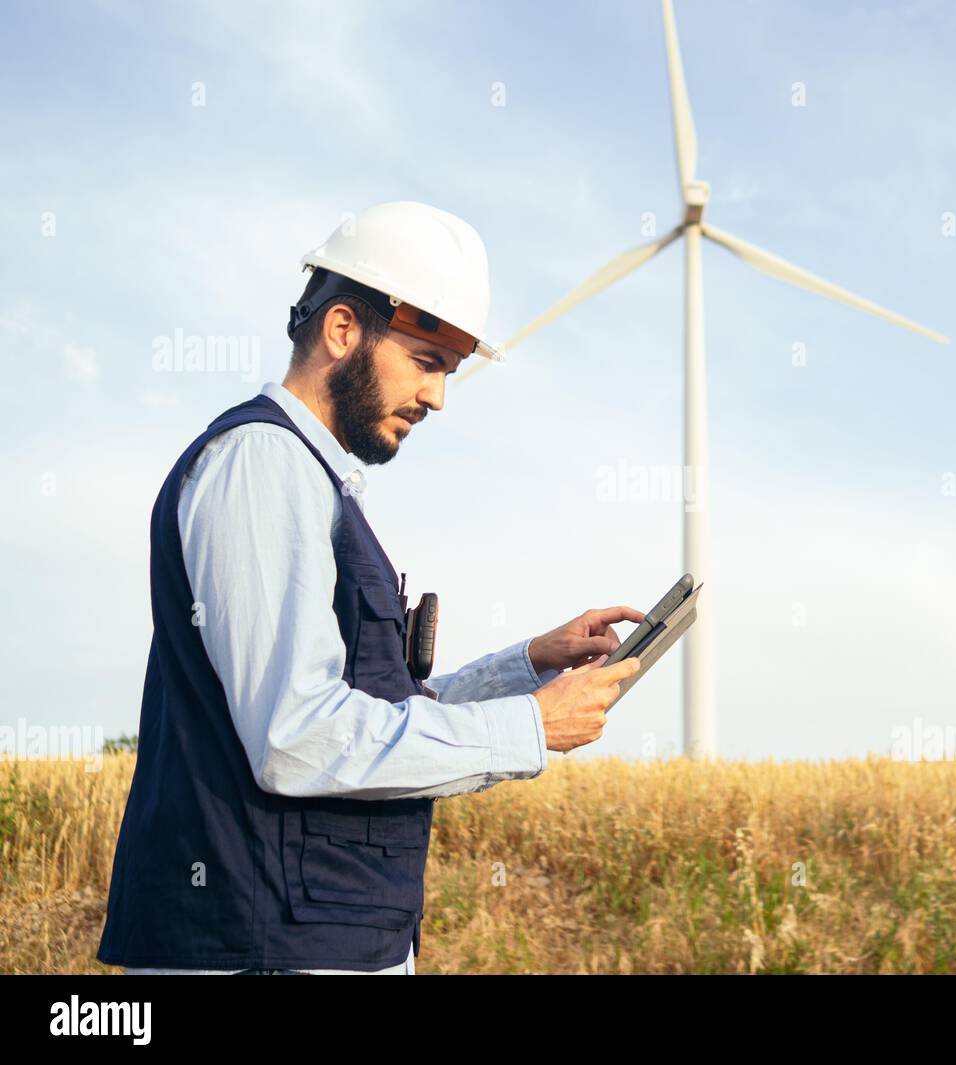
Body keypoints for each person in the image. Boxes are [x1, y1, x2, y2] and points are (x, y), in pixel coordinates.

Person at [97, 201, 642, 974]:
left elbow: (371, 721)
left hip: (320, 940)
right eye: (427, 362)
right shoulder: (261, 462)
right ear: (345, 329)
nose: (439, 399)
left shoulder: (313, 482)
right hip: (263, 946)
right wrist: (529, 727)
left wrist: (528, 668)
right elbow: (297, 735)